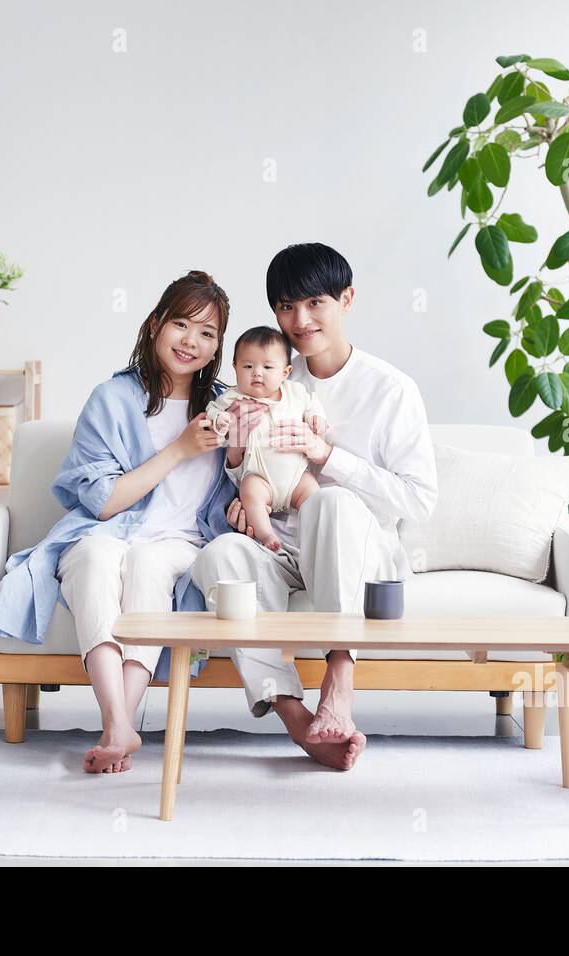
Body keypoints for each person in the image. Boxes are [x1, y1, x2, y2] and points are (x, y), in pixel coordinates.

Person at [190, 243, 438, 771]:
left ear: (347, 299)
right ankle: (295, 716)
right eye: (285, 307)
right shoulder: (273, 378)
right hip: (285, 547)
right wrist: (239, 491)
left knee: (330, 504)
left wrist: (328, 456)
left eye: (314, 303)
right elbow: (245, 463)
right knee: (219, 558)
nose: (299, 321)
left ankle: (339, 675)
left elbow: (419, 501)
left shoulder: (391, 390)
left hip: (359, 551)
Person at [0, 270, 236, 774]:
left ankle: (120, 725)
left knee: (148, 564)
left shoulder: (227, 406)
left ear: (217, 347)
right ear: (154, 325)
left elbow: (255, 472)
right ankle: (118, 722)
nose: (191, 341)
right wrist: (180, 449)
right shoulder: (112, 399)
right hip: (107, 531)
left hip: (182, 543)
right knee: (96, 559)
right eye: (181, 324)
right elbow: (102, 504)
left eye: (207, 333)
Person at [206, 325, 328, 552]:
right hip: (260, 478)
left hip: (296, 478)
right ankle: (267, 536)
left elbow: (313, 405)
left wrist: (316, 418)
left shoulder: (296, 393)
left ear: (285, 372)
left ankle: (318, 542)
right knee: (250, 492)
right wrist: (220, 419)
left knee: (314, 494)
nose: (257, 373)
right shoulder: (233, 397)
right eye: (248, 366)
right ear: (235, 368)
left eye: (268, 367)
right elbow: (213, 409)